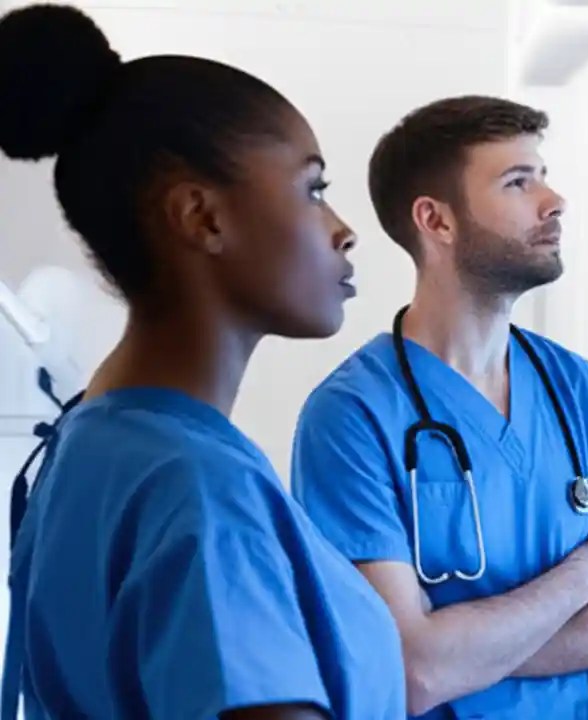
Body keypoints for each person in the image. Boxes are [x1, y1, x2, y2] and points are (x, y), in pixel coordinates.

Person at [0, 5, 405, 719]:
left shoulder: (92, 442)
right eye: (313, 188)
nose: (343, 231)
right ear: (201, 216)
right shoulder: (201, 490)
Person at [290, 95, 588, 719]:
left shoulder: (580, 390)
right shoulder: (350, 418)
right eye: (519, 182)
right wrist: (578, 579)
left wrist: (457, 656)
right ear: (436, 221)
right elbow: (410, 673)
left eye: (542, 176)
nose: (553, 202)